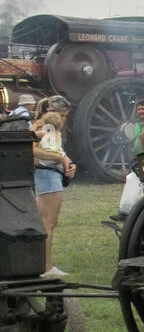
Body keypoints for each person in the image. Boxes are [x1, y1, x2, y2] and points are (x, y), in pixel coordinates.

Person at [32, 110, 76, 277]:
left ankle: (43, 264)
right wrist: (60, 159)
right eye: (63, 116)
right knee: (48, 222)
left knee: (48, 222)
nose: (64, 120)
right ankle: (46, 267)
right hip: (48, 175)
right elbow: (34, 151)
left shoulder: (49, 130)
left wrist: (69, 163)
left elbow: (59, 152)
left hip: (51, 174)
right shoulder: (41, 128)